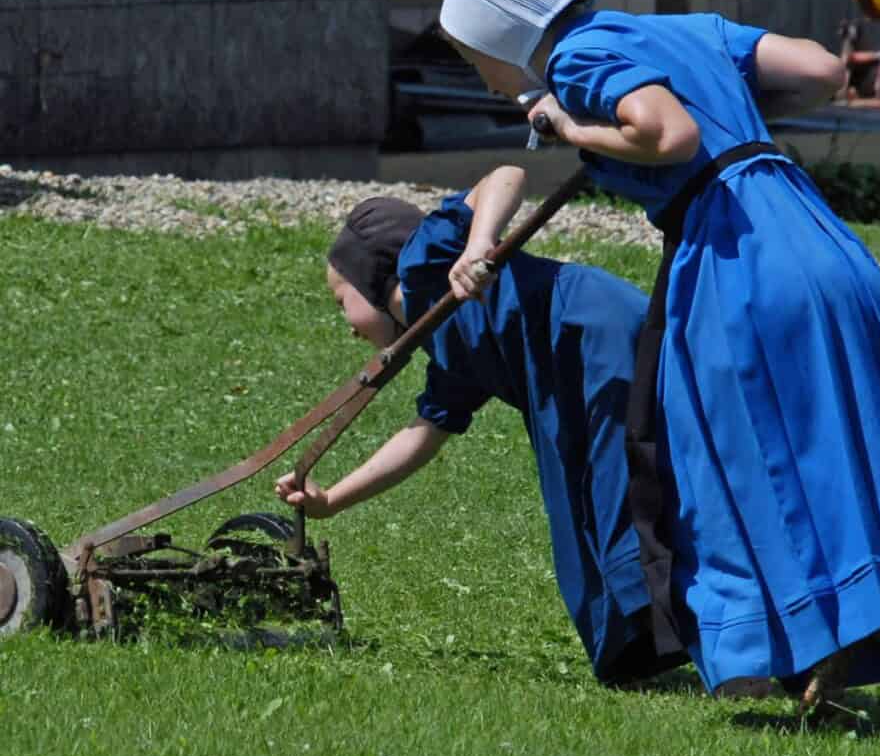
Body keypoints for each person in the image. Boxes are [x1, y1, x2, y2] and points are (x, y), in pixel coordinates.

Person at [434, 0, 880, 746]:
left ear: (500, 33)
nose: (483, 78)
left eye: (474, 60)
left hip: (741, 266)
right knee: (837, 467)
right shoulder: (682, 32)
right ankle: (822, 656)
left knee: (758, 482)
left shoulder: (575, 58)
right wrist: (722, 107)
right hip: (818, 240)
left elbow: (666, 135)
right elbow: (822, 70)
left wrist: (572, 125)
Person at [274, 167, 689, 687]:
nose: (348, 326)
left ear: (368, 274)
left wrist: (476, 245)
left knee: (617, 492)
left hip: (596, 338)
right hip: (562, 387)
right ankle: (637, 647)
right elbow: (422, 434)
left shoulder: (426, 260)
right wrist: (332, 499)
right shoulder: (446, 347)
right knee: (576, 512)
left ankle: (688, 620)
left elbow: (507, 175)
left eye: (342, 303)